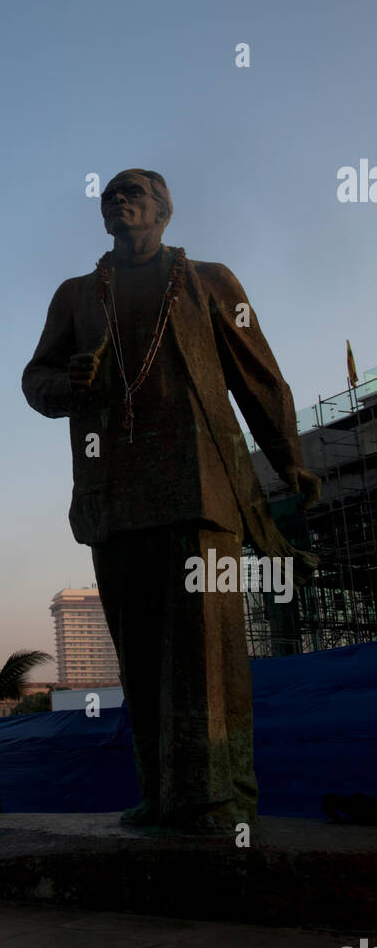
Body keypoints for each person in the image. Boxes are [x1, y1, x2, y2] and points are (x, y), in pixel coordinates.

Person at [22, 168, 320, 833]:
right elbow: (34, 377)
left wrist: (289, 460)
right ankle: (160, 795)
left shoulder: (212, 282)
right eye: (110, 199)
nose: (120, 205)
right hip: (114, 496)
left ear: (164, 211)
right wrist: (65, 385)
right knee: (140, 655)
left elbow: (259, 377)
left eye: (134, 196)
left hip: (199, 489)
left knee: (204, 652)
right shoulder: (76, 296)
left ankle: (215, 800)